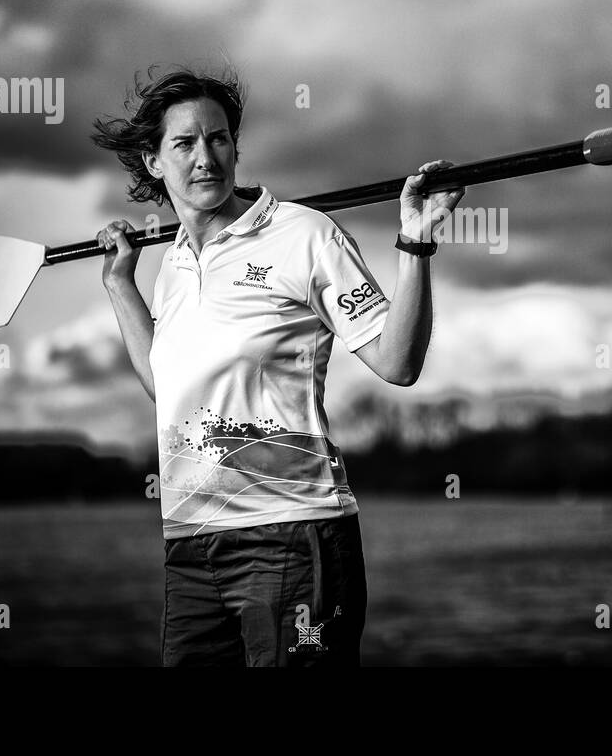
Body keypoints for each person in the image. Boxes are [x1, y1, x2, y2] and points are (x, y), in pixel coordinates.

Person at [90, 66, 463, 666]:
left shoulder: (303, 236)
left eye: (218, 138)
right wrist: (119, 285)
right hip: (191, 549)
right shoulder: (174, 264)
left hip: (294, 542)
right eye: (184, 143)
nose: (206, 157)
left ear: (236, 147)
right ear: (153, 161)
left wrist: (415, 242)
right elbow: (172, 390)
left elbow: (398, 363)